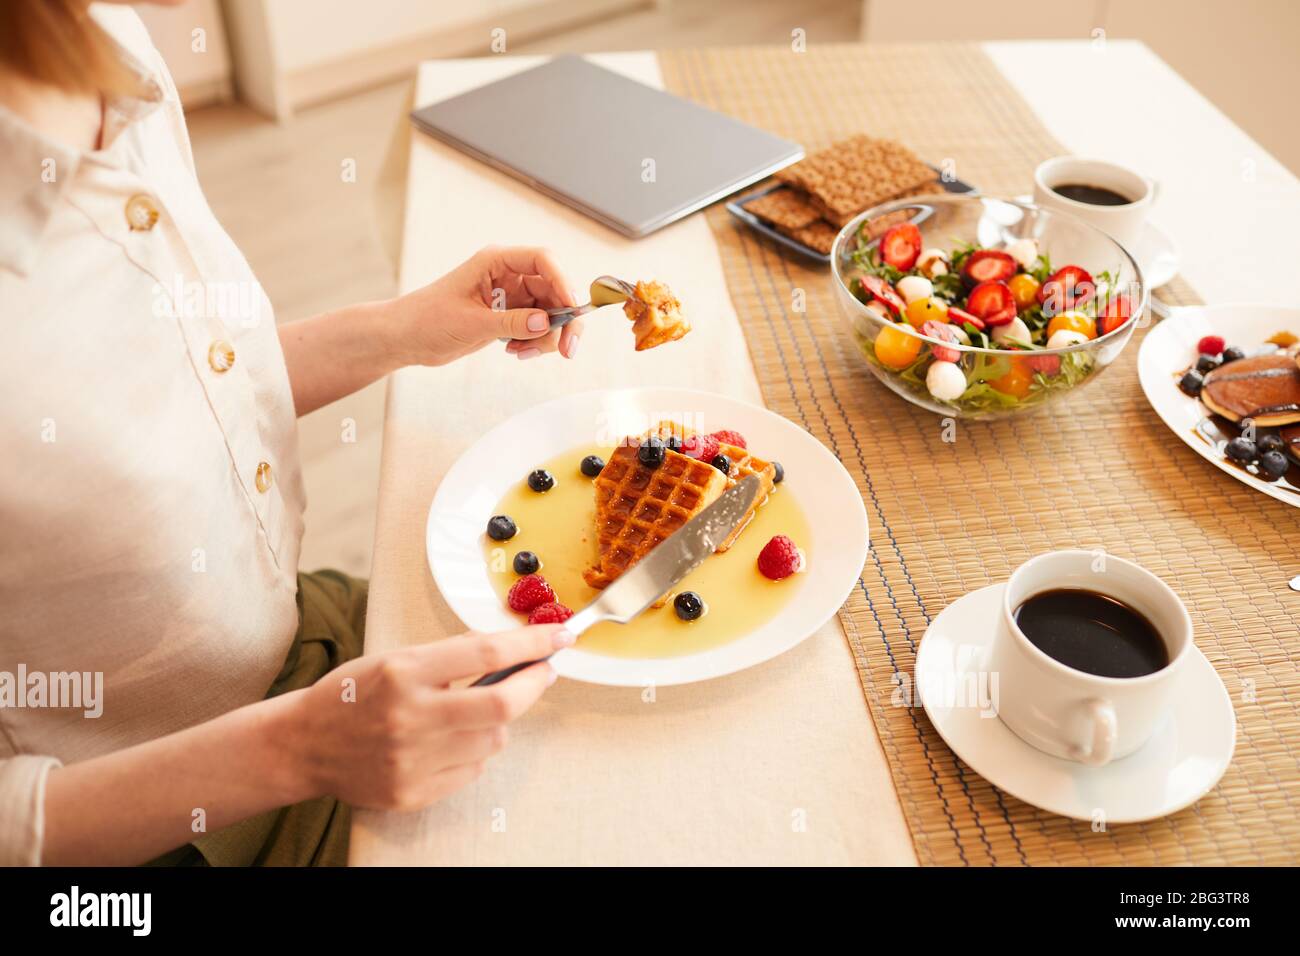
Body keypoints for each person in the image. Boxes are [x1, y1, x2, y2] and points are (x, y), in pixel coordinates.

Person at [0, 1, 582, 866]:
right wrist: (298, 749)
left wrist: (403, 328)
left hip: (304, 649)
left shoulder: (104, 35)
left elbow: (173, 397)